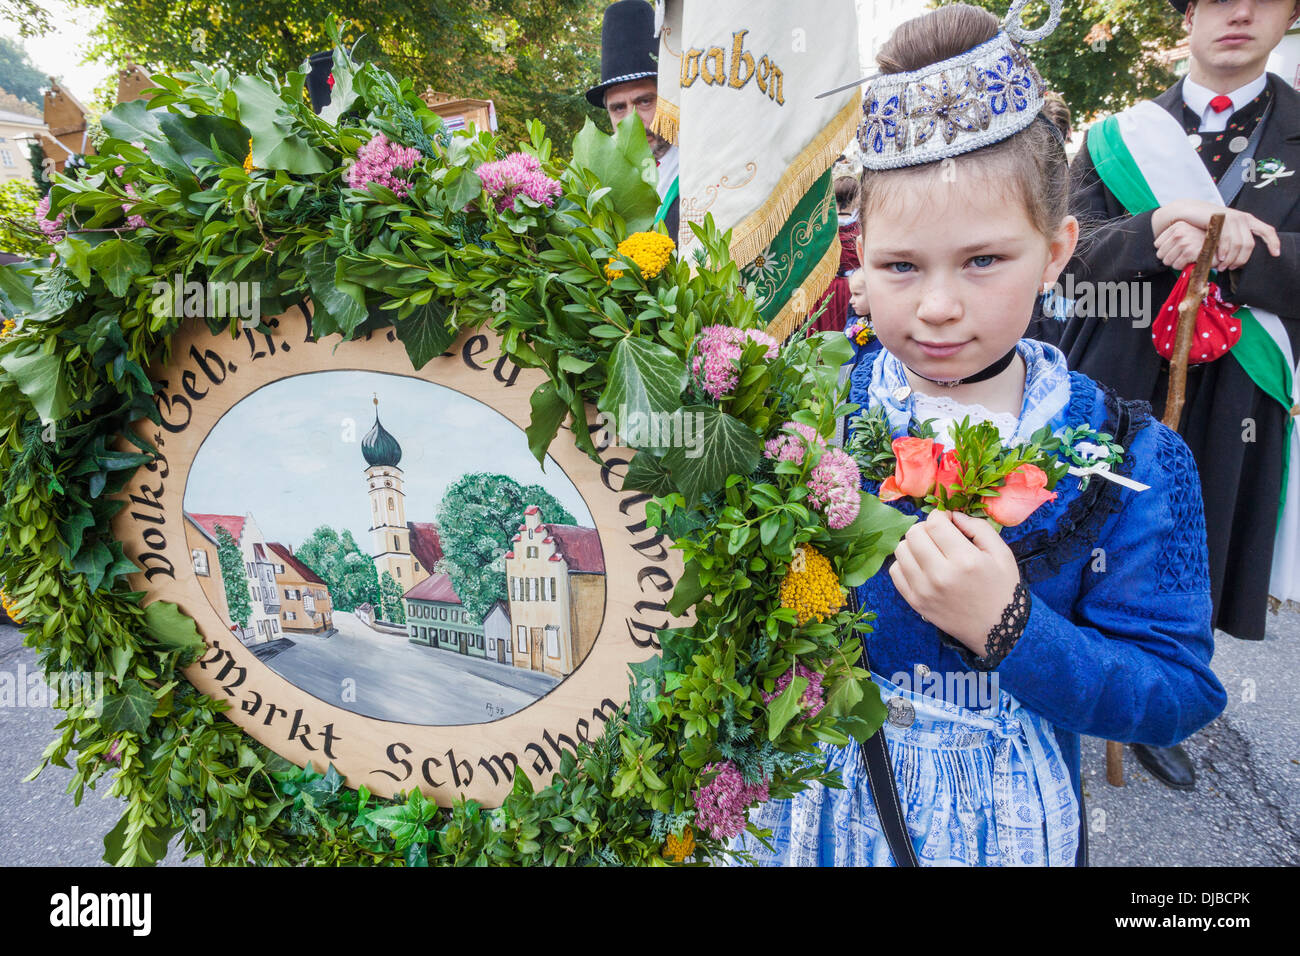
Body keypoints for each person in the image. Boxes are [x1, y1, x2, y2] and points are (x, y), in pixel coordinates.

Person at [730, 2, 1226, 867]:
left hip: (1000, 824)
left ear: (1058, 249)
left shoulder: (1131, 461)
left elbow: (1177, 690)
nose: (937, 307)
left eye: (985, 260)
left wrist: (1012, 629)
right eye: (900, 267)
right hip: (815, 806)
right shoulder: (807, 416)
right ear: (859, 257)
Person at [1054, 0, 1298, 789]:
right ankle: (1059, 678)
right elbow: (1067, 248)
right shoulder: (1114, 137)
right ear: (1187, 14)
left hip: (1233, 393)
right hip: (1115, 373)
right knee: (1081, 526)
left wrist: (1240, 249)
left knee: (1194, 539)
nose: (1240, 11)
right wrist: (1159, 225)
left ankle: (1154, 702)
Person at [586, 0, 679, 241]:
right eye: (618, 108)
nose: (632, 122)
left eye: (645, 101)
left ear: (668, 98)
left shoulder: (699, 169)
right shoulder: (596, 187)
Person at [808, 175, 865, 335]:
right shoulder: (860, 229)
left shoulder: (822, 227)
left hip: (824, 288)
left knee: (824, 338)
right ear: (855, 198)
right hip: (852, 288)